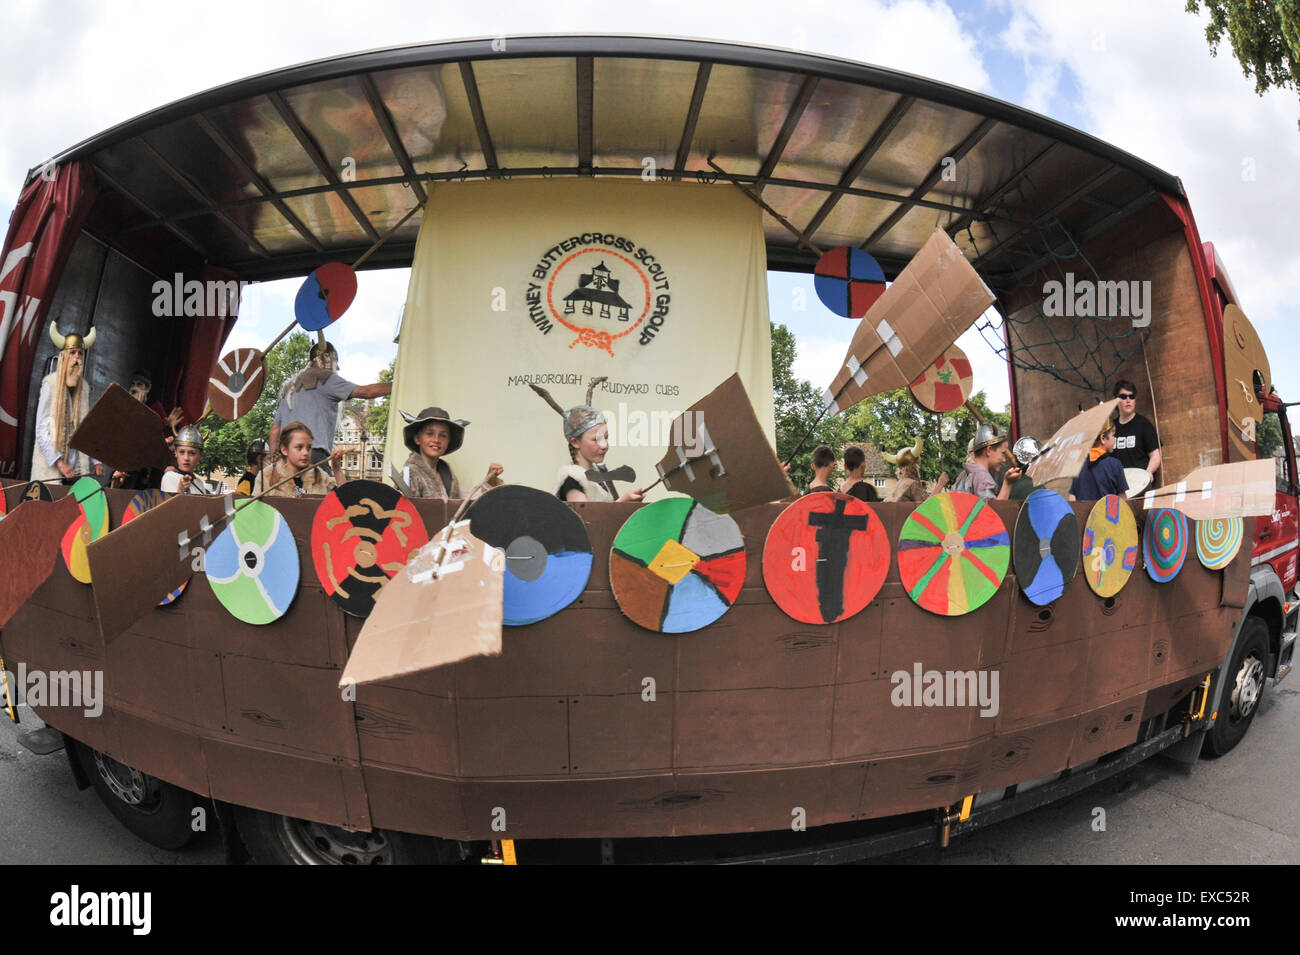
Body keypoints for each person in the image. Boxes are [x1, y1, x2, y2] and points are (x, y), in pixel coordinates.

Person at [268, 341, 391, 471]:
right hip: (311, 455)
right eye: (335, 361)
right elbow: (367, 392)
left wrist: (274, 462)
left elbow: (275, 431)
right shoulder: (325, 379)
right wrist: (397, 384)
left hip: (286, 460)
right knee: (327, 492)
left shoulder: (290, 387)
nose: (337, 367)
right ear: (323, 358)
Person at [529, 377, 643, 503]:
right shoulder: (572, 478)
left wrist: (625, 505)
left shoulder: (598, 477)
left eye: (606, 438)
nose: (604, 445)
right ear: (575, 442)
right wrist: (622, 503)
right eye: (596, 439)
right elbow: (585, 518)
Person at [32, 321, 102, 482]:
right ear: (63, 356)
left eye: (80, 353)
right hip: (52, 469)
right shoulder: (50, 384)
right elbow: (41, 430)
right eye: (72, 353)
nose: (76, 358)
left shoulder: (83, 388)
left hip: (76, 469)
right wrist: (59, 463)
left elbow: (86, 427)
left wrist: (96, 461)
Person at [398, 406, 503, 500]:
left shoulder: (447, 475)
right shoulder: (410, 474)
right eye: (430, 434)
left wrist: (490, 481)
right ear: (417, 439)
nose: (436, 440)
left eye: (443, 435)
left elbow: (468, 503)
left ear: (448, 442)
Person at [112, 369, 184, 489]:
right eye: (133, 384)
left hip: (146, 469)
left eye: (139, 385)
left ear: (148, 388)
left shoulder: (155, 410)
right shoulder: (125, 409)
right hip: (126, 464)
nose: (135, 388)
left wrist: (168, 426)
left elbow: (163, 441)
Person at [256, 422, 337, 498]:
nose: (305, 453)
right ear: (284, 450)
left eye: (309, 447)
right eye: (299, 447)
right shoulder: (266, 477)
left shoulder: (320, 475)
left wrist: (337, 470)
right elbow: (254, 510)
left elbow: (345, 501)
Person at [951, 423, 1021, 500]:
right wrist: (1008, 483)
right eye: (1002, 453)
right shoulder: (983, 477)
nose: (1004, 460)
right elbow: (992, 510)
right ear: (988, 450)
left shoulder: (963, 475)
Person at [1069, 415, 1129, 501]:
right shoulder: (1114, 464)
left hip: (1083, 514)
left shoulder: (1078, 464)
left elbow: (1072, 497)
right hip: (1107, 514)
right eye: (1113, 435)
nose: (1115, 439)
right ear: (1103, 438)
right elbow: (1123, 500)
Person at [1112, 379, 1161, 482]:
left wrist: (1149, 472)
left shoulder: (1144, 424)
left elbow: (1155, 455)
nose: (1128, 400)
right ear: (1116, 400)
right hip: (1117, 486)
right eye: (1123, 397)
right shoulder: (1111, 428)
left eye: (1132, 396)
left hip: (1140, 484)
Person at [160, 426, 218, 495]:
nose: (186, 458)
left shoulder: (199, 483)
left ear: (201, 455)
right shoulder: (169, 477)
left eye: (192, 453)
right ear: (175, 453)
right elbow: (171, 505)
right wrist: (180, 489)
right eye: (182, 452)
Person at [883, 437, 927, 502]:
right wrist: (940, 485)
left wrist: (920, 486)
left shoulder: (898, 483)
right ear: (915, 467)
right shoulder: (913, 484)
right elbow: (923, 506)